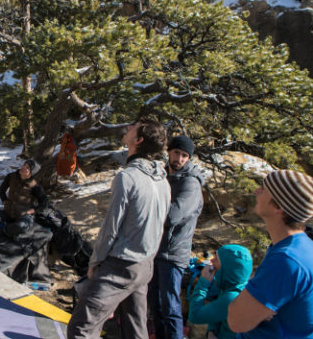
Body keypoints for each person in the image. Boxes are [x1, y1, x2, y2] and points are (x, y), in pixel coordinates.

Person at [67, 117, 171, 339]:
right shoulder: (162, 180)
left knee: (81, 327)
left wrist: (95, 263)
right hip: (144, 266)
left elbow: (110, 228)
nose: (128, 126)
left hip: (120, 265)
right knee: (135, 329)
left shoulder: (128, 177)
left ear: (139, 140)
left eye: (134, 127)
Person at [227, 170, 313, 338]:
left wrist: (250, 303)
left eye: (263, 189)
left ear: (279, 207)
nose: (256, 191)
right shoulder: (300, 246)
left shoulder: (287, 260)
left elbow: (236, 320)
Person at [148, 134, 206, 339]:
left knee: (170, 306)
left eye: (184, 155)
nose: (179, 159)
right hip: (156, 249)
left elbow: (173, 215)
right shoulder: (164, 176)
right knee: (155, 303)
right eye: (176, 153)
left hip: (173, 254)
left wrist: (148, 207)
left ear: (189, 158)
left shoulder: (190, 184)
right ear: (169, 152)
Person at [187, 244, 253, 339]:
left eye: (217, 259)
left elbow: (194, 316)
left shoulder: (232, 297)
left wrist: (203, 282)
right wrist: (211, 331)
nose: (211, 260)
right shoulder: (235, 286)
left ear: (228, 268)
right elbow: (218, 315)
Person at [0, 159, 48, 237]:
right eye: (24, 164)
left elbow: (45, 202)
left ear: (31, 173)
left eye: (27, 167)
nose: (23, 167)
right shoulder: (11, 176)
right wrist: (4, 200)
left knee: (20, 226)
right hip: (8, 213)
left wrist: (32, 211)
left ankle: (3, 229)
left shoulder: (34, 186)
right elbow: (2, 190)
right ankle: (10, 230)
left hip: (23, 216)